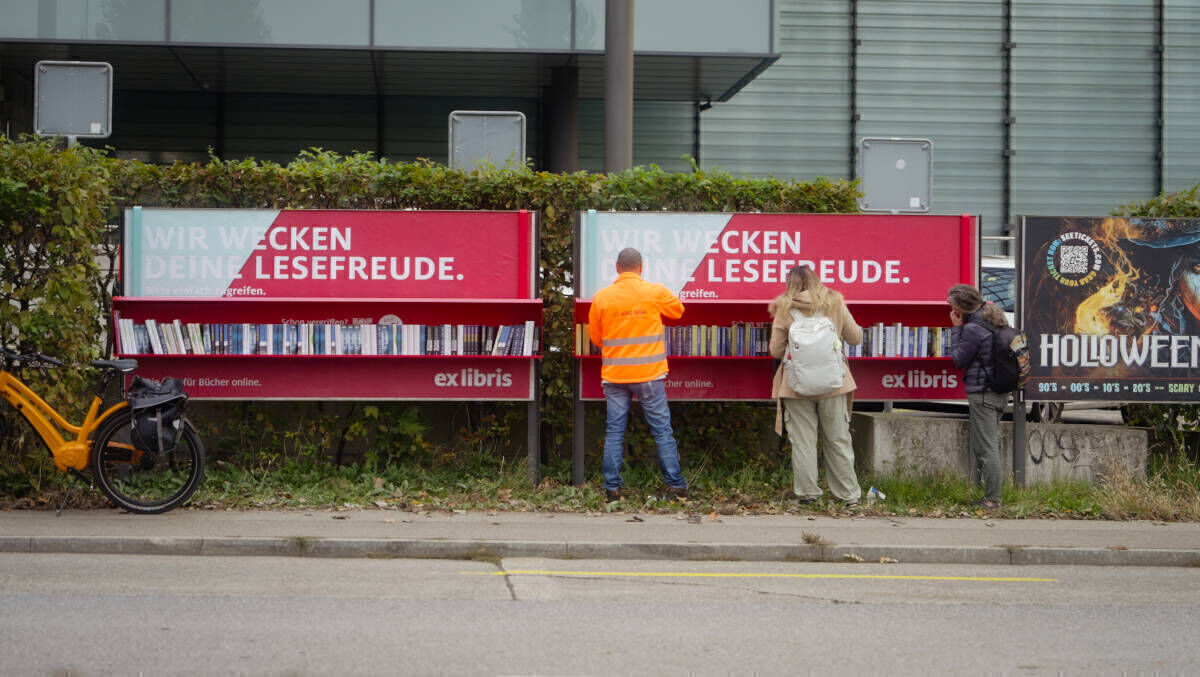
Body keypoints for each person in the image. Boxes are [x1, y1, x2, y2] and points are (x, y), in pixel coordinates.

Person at [588, 247, 689, 502]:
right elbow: (678, 311)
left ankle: (612, 490)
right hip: (649, 376)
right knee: (662, 431)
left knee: (614, 432)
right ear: (641, 268)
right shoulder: (654, 292)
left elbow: (596, 338)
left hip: (615, 376)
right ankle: (676, 486)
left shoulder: (602, 297)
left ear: (617, 268)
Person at [768, 265, 863, 505]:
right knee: (837, 439)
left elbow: (776, 350)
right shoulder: (835, 303)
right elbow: (855, 338)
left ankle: (808, 494)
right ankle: (848, 495)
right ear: (816, 280)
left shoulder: (784, 308)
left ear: (789, 283)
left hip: (796, 386)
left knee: (803, 441)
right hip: (834, 384)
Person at [947, 283, 1009, 509]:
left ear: (961, 307)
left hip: (983, 393)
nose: (950, 309)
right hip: (999, 392)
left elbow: (958, 359)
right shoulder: (994, 316)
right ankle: (986, 494)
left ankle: (992, 500)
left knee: (986, 448)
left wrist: (956, 328)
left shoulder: (972, 329)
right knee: (986, 445)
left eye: (952, 306)